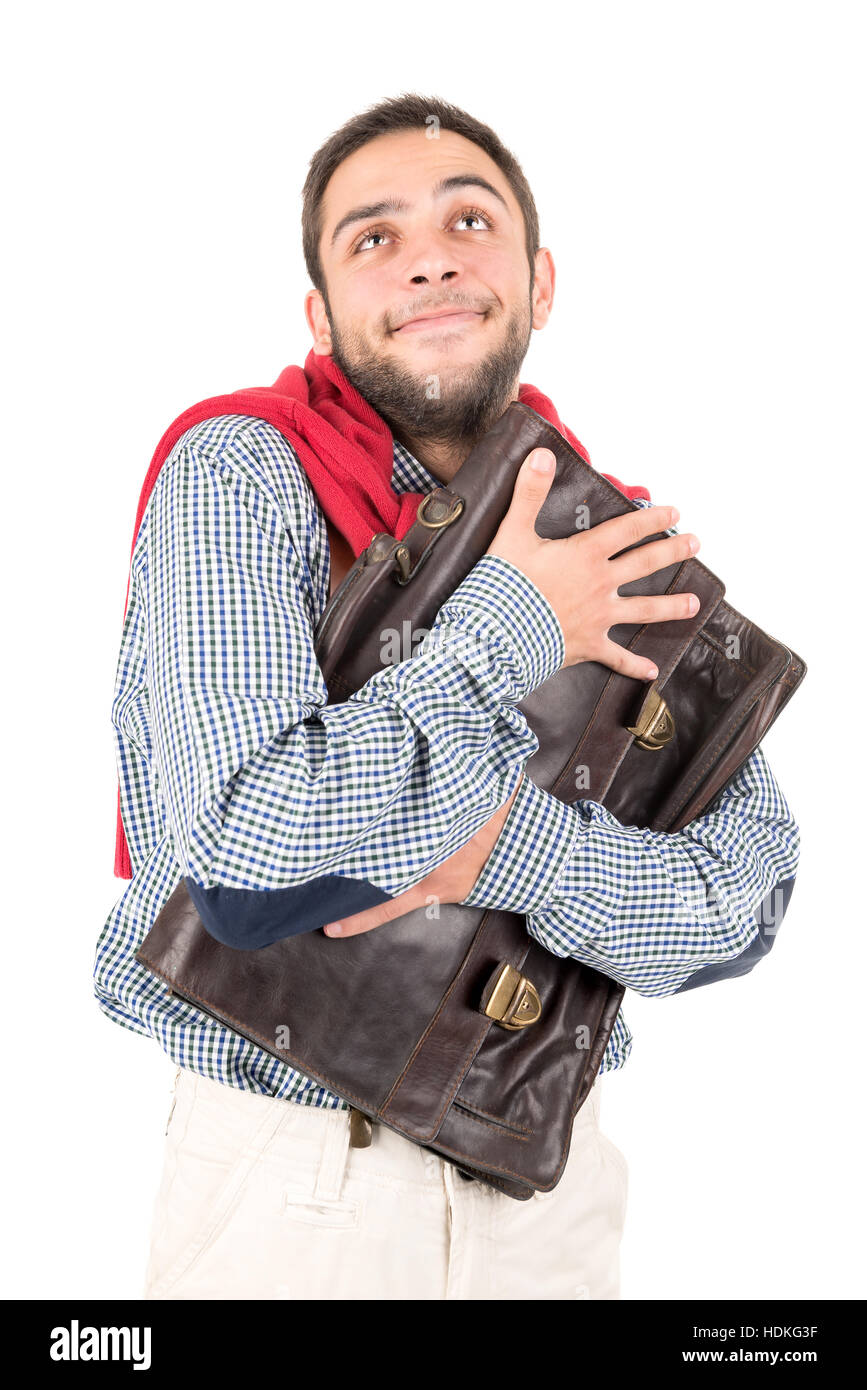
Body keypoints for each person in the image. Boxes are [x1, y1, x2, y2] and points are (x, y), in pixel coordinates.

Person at [94, 93, 799, 1301]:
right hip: (298, 1183)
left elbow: (746, 895)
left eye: (469, 221)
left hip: (549, 1186)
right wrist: (520, 621)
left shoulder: (613, 538)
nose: (428, 255)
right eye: (373, 236)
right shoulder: (242, 472)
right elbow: (252, 852)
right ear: (322, 313)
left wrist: (491, 852)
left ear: (538, 279)